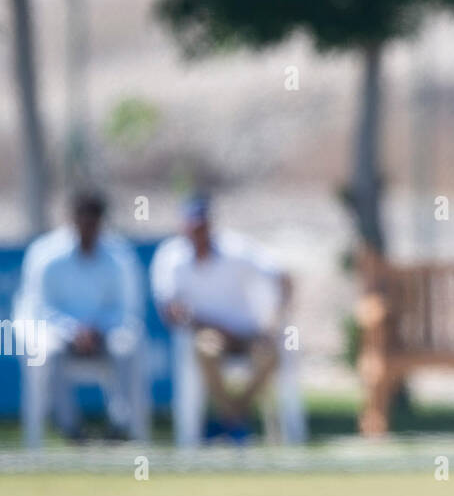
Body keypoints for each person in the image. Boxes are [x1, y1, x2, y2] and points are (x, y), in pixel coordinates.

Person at [150, 196, 304, 444]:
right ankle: (236, 420)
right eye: (192, 226)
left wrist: (275, 319)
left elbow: (283, 277)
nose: (197, 233)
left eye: (202, 226)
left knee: (270, 355)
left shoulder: (236, 249)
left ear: (210, 225)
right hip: (208, 332)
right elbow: (171, 310)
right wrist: (214, 326)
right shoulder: (171, 257)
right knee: (206, 349)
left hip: (248, 332)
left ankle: (230, 418)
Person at [17, 191, 146, 445]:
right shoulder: (47, 256)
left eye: (94, 223)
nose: (88, 228)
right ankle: (70, 428)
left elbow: (124, 309)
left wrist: (97, 329)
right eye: (83, 221)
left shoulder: (117, 258)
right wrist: (73, 330)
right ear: (73, 220)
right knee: (48, 351)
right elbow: (38, 308)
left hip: (104, 334)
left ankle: (120, 425)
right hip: (59, 335)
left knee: (125, 347)